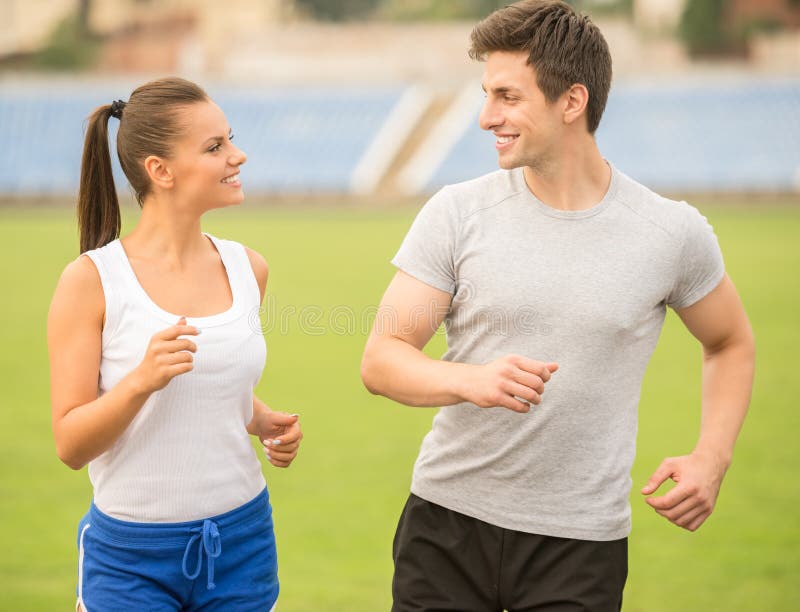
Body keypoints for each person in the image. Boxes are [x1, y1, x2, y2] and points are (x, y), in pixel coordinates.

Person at [360, 1, 755, 610]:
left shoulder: (671, 232)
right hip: (446, 527)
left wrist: (713, 456)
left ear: (572, 102)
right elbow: (382, 359)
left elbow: (729, 342)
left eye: (507, 97)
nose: (487, 116)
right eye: (486, 95)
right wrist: (469, 379)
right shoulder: (456, 214)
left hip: (581, 547)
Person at [48, 77, 302, 611]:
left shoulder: (248, 267)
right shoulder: (91, 281)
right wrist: (140, 381)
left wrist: (259, 418)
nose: (238, 155)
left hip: (243, 542)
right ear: (160, 171)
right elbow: (71, 445)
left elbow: (207, 378)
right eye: (215, 147)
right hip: (129, 559)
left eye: (229, 139)